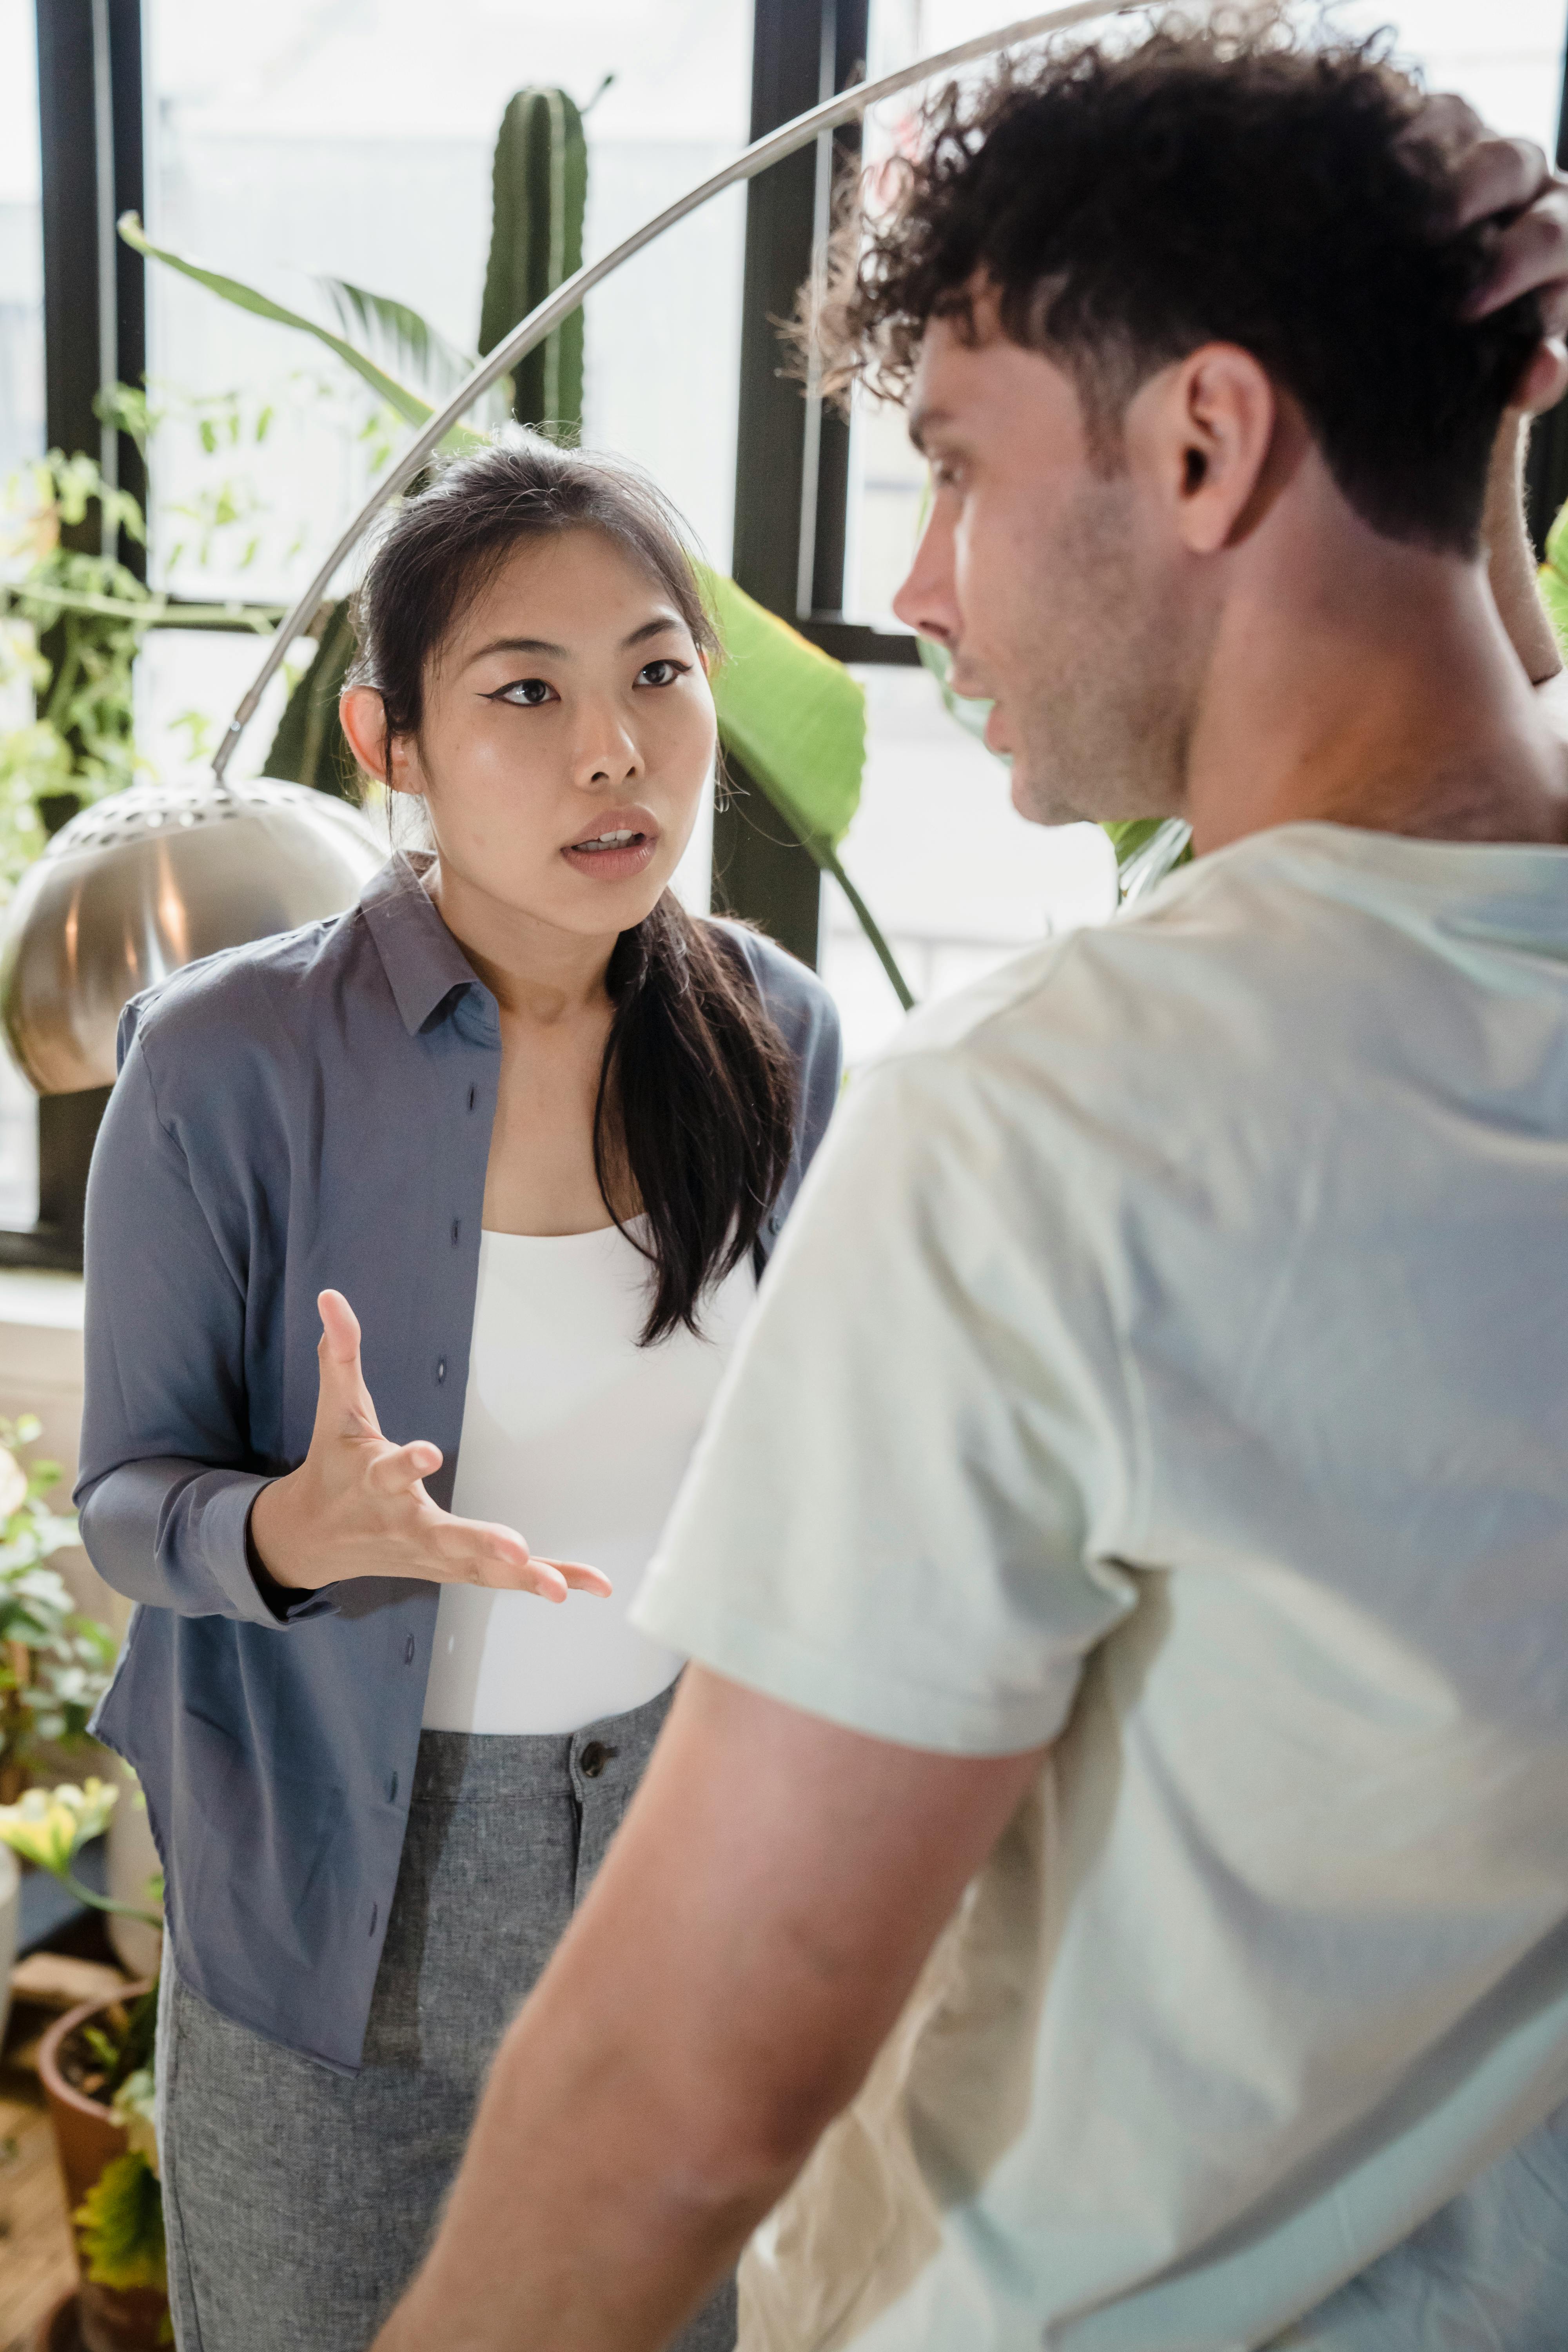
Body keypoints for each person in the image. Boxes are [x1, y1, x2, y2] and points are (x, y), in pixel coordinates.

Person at [372, 22, 1568, 2352]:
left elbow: (684, 2095)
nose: (913, 583)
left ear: (1209, 442)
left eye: (951, 466)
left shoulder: (1060, 1117)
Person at [75, 437, 841, 2352]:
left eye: (657, 674)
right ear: (387, 743)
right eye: (527, 691)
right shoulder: (228, 1059)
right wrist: (289, 1531)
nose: (615, 751)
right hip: (334, 1910)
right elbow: (121, 1500)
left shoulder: (784, 1036)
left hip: (663, 1898)